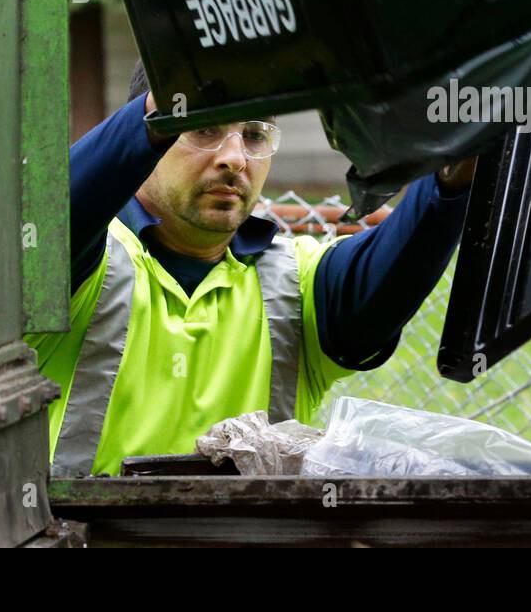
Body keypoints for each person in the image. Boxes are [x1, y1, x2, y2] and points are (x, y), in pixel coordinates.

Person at [26, 62, 475, 477]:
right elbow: (58, 210)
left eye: (255, 134)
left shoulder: (296, 283)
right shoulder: (87, 261)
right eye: (203, 127)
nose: (235, 158)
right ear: (154, 134)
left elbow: (403, 260)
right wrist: (179, 70)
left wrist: (453, 170)